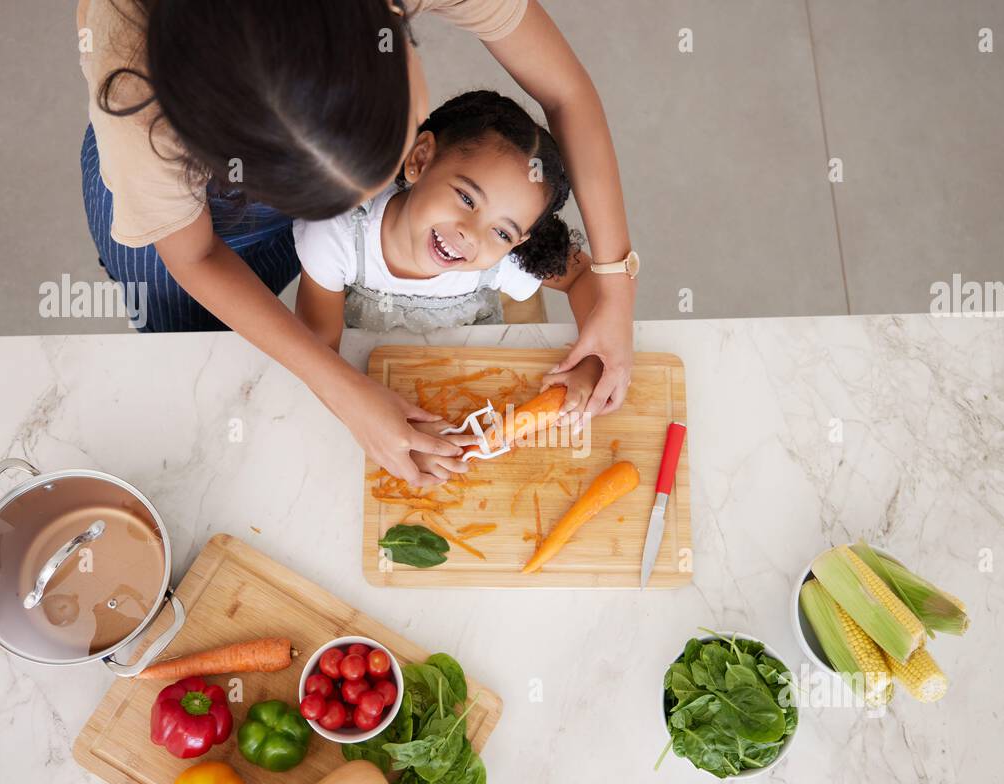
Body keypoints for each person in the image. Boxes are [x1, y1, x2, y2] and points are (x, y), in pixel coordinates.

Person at [78, 0, 637, 485]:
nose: (361, 213)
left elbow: (564, 92)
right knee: (200, 359)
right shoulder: (138, 99)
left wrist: (615, 287)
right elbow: (196, 257)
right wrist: (343, 392)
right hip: (189, 222)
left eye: (387, 159)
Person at [293, 90, 604, 483]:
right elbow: (315, 353)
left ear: (518, 243)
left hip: (475, 404)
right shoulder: (339, 236)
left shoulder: (503, 260)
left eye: (502, 231)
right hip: (367, 391)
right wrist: (382, 424)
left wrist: (592, 361)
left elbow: (588, 276)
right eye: (466, 198)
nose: (470, 235)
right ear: (421, 159)